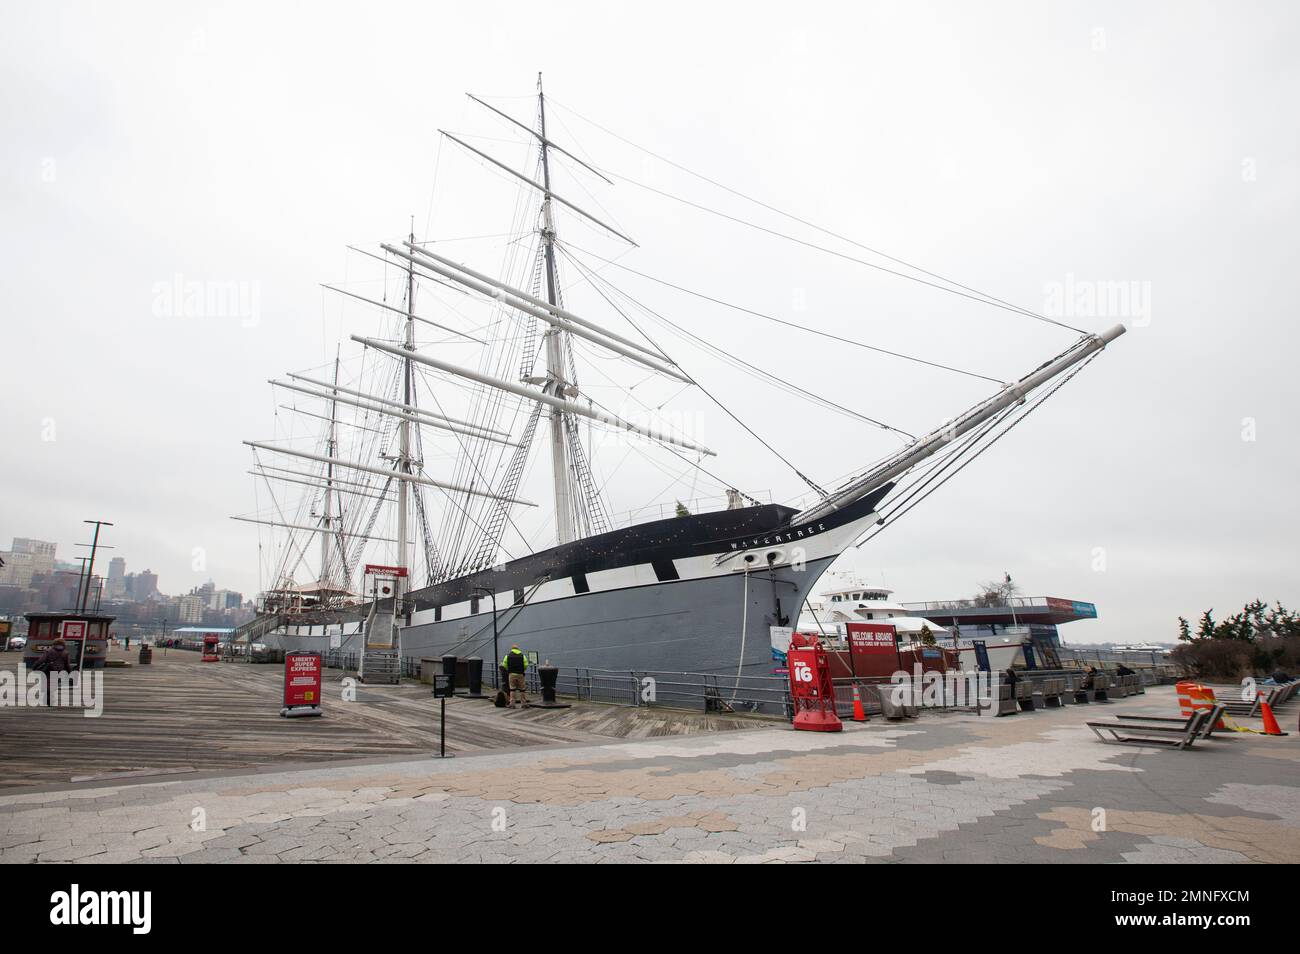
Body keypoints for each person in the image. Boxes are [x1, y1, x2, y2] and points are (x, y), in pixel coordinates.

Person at [32, 640, 73, 706]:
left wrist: (34, 667)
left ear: (54, 644)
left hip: (49, 669)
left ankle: (48, 697)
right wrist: (69, 673)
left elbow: (42, 660)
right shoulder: (65, 653)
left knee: (47, 683)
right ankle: (50, 699)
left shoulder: (49, 651)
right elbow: (67, 665)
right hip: (59, 671)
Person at [502, 644, 529, 709]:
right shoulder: (522, 656)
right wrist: (522, 670)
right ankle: (524, 704)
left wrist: (509, 669)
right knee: (522, 689)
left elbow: (504, 664)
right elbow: (526, 664)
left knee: (512, 689)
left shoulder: (507, 656)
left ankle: (512, 704)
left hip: (511, 674)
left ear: (512, 649)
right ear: (517, 649)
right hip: (520, 674)